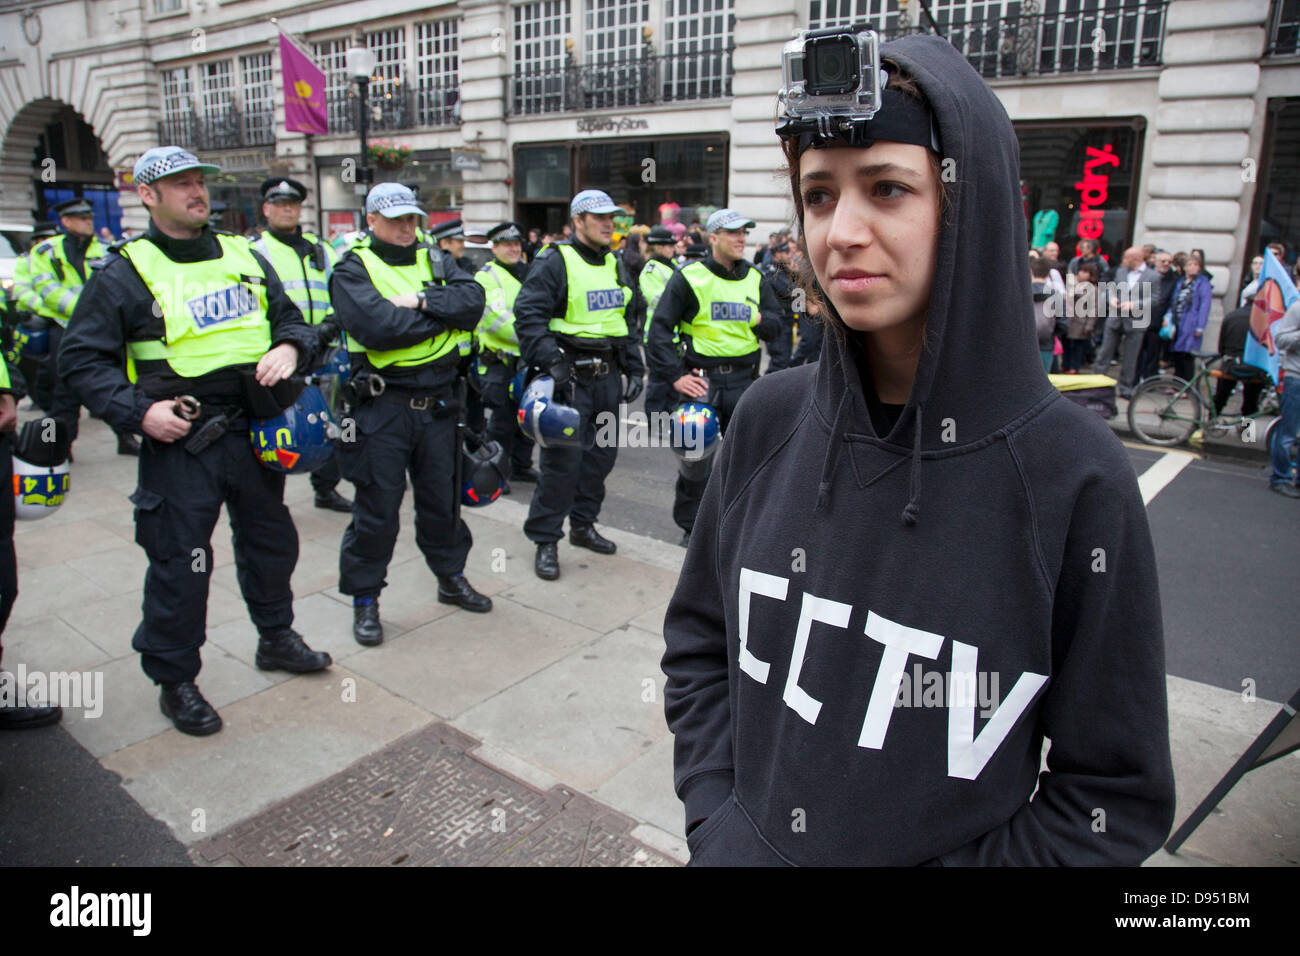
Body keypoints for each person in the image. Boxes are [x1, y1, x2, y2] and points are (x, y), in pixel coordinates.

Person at [660, 32, 1174, 865]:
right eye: (819, 195)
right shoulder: (766, 417)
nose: (843, 232)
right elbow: (698, 646)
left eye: (889, 188)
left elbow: (1109, 801)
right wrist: (723, 823)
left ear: (967, 208)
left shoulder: (1077, 480)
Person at [59, 146, 332, 736]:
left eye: (200, 182)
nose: (196, 192)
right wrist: (140, 412)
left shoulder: (244, 254)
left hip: (255, 430)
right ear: (148, 196)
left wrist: (290, 347)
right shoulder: (124, 271)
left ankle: (276, 637)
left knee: (270, 544)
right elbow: (80, 361)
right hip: (182, 440)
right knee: (182, 564)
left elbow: (290, 320)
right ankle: (175, 679)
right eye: (179, 184)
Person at [330, 184, 492, 645]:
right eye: (395, 219)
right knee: (377, 511)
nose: (406, 227)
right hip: (383, 408)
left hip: (440, 407)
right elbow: (379, 328)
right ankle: (365, 599)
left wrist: (421, 302)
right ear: (372, 221)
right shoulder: (353, 268)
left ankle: (450, 577)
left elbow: (473, 304)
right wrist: (443, 315)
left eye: (411, 219)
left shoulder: (437, 259)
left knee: (442, 504)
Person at [514, 189, 646, 581]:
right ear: (577, 222)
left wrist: (634, 368)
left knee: (600, 460)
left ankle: (583, 526)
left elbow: (627, 319)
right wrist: (552, 364)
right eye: (599, 217)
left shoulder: (616, 263)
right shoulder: (555, 261)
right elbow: (529, 316)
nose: (609, 224)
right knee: (561, 465)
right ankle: (546, 540)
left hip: (606, 379)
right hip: (570, 379)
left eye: (612, 218)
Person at [649, 208, 782, 545]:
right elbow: (659, 330)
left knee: (748, 462)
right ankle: (691, 530)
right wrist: (675, 376)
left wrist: (755, 318)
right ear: (713, 238)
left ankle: (736, 527)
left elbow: (776, 328)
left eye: (744, 233)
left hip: (744, 382)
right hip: (701, 383)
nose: (741, 239)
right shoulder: (689, 277)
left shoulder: (755, 278)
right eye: (733, 232)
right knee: (694, 460)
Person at [250, 177, 353, 513]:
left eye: (292, 204)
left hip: (324, 348)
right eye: (279, 204)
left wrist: (332, 323)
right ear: (267, 209)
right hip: (281, 353)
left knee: (331, 420)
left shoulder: (320, 248)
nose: (286, 210)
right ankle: (270, 495)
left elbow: (342, 290)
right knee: (277, 423)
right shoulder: (255, 251)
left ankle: (326, 488)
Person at [27, 198, 141, 457]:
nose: (88, 221)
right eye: (81, 218)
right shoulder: (46, 251)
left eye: (89, 217)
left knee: (117, 381)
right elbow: (47, 290)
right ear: (65, 221)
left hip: (106, 328)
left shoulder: (105, 249)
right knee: (64, 391)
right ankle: (61, 446)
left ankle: (125, 436)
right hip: (64, 327)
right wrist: (88, 311)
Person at [473, 221, 537, 488]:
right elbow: (496, 320)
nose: (513, 249)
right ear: (495, 247)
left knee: (528, 417)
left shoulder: (528, 272)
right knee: (502, 422)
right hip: (500, 361)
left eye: (516, 243)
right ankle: (498, 470)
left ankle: (521, 466)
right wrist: (535, 336)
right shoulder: (487, 276)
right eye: (507, 244)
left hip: (527, 359)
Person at [1093, 245, 1149, 397]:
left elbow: (1155, 299)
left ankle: (1125, 388)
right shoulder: (1121, 271)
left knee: (1130, 357)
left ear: (1135, 259)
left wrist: (1134, 305)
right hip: (1116, 317)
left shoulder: (1152, 275)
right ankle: (1095, 384)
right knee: (1104, 352)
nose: (1123, 261)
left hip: (1136, 320)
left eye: (1126, 258)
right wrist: (1111, 299)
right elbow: (1112, 288)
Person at [639, 225, 682, 422]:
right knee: (658, 379)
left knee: (675, 376)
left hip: (674, 333)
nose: (672, 248)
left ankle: (670, 414)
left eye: (673, 244)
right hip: (656, 334)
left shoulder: (674, 265)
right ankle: (654, 418)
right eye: (668, 245)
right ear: (657, 246)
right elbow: (656, 300)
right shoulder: (651, 269)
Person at [1268, 295, 1300, 498]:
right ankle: (1280, 478)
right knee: (1288, 432)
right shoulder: (1297, 308)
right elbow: (1280, 339)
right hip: (1295, 378)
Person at [1168, 254, 1212, 382]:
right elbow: (1173, 300)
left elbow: (1205, 305)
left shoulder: (1203, 283)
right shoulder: (1180, 282)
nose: (1192, 267)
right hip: (1177, 321)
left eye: (1195, 265)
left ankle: (1186, 385)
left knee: (1187, 354)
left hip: (1191, 323)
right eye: (1189, 265)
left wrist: (1200, 326)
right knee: (1176, 354)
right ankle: (1176, 383)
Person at [760, 239, 800, 373]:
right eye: (786, 252)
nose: (790, 255)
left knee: (784, 360)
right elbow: (789, 291)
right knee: (779, 361)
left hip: (787, 321)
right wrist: (795, 274)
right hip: (778, 322)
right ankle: (768, 390)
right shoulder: (772, 271)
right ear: (776, 255)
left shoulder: (784, 269)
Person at [1139, 249, 1180, 380]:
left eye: (1169, 262)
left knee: (1154, 353)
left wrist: (1168, 316)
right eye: (1163, 261)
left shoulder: (1174, 280)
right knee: (1137, 352)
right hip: (1141, 317)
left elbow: (1173, 301)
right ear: (1156, 262)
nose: (1167, 264)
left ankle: (1150, 380)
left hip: (1158, 321)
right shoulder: (1146, 275)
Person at [1063, 262, 1101, 372]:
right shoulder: (1072, 285)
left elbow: (1094, 308)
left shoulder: (1093, 289)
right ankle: (1066, 364)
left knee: (1077, 346)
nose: (1081, 274)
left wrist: (1089, 325)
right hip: (1069, 320)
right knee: (1066, 344)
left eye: (1085, 272)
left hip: (1081, 322)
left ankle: (1074, 367)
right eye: (1081, 270)